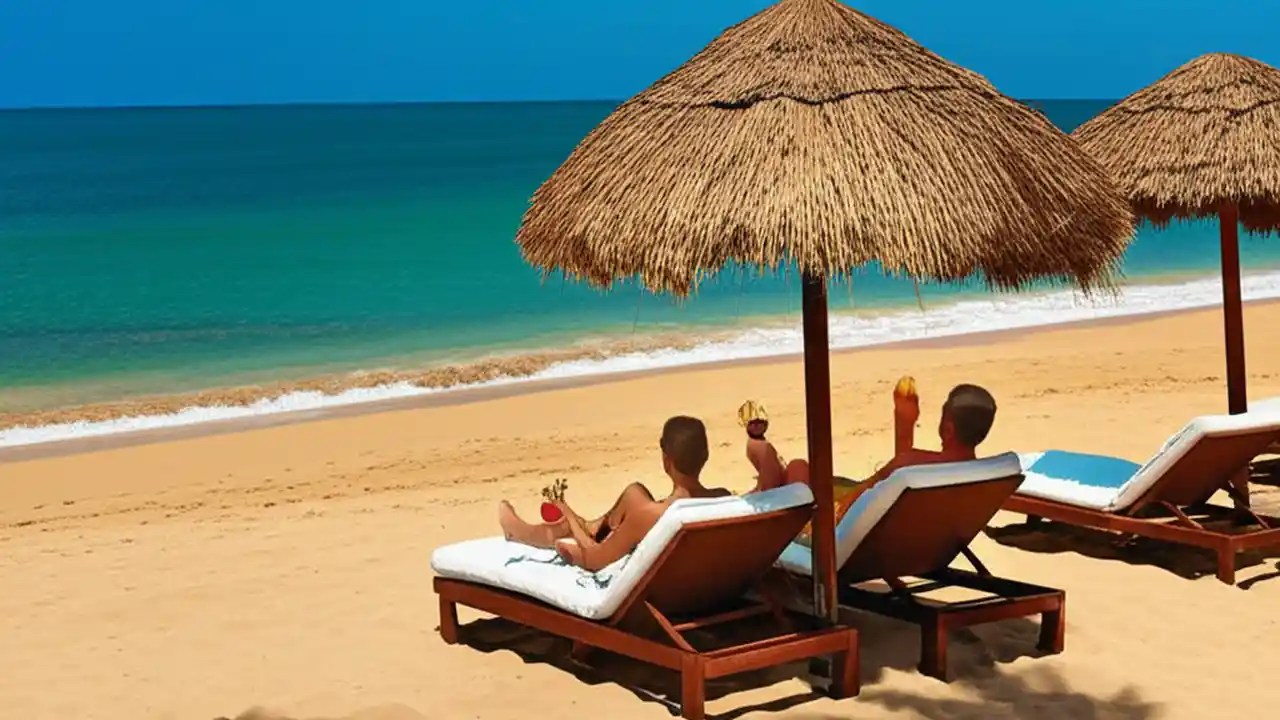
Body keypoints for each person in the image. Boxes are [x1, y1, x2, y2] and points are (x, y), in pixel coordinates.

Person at [498, 415, 730, 572]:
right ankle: (590, 527)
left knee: (577, 526)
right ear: (705, 456)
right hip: (702, 588)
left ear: (666, 460)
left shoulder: (651, 515)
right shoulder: (723, 499)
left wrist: (568, 515)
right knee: (635, 492)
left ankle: (520, 532)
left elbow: (594, 559)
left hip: (670, 600)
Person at [750, 382, 998, 514]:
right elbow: (898, 489)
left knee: (794, 467)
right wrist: (904, 423)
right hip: (912, 542)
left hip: (833, 530)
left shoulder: (912, 464)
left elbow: (856, 499)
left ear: (948, 430)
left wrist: (904, 420)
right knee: (791, 471)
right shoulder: (987, 476)